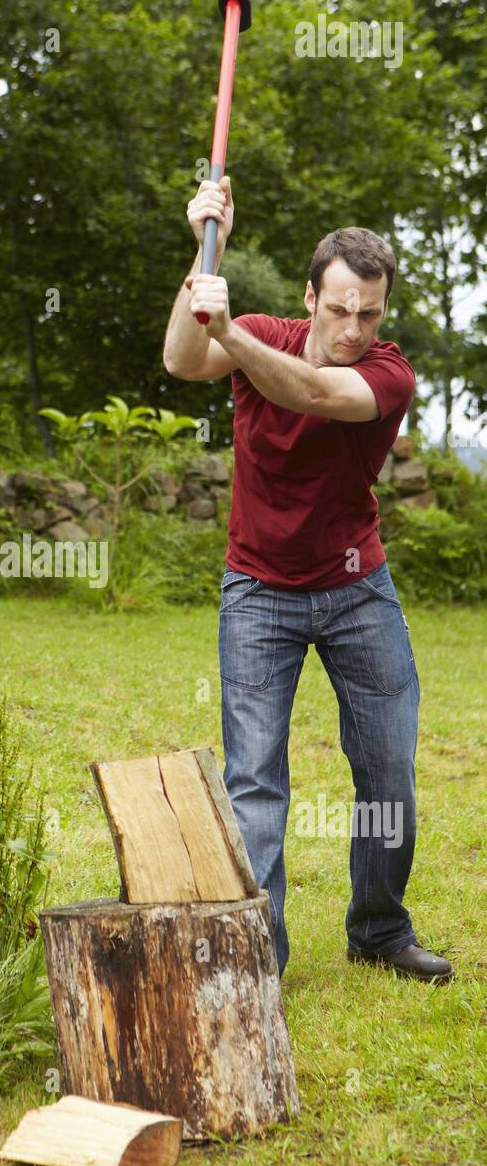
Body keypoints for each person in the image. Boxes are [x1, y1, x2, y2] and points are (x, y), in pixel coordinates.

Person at [162, 174, 453, 984]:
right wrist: (203, 252)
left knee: (388, 768)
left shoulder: (386, 374)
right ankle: (262, 958)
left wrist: (232, 336)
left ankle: (379, 929)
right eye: (338, 309)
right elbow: (183, 357)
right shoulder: (259, 328)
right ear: (309, 296)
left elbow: (317, 392)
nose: (353, 328)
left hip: (360, 590)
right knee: (254, 776)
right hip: (258, 589)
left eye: (369, 313)